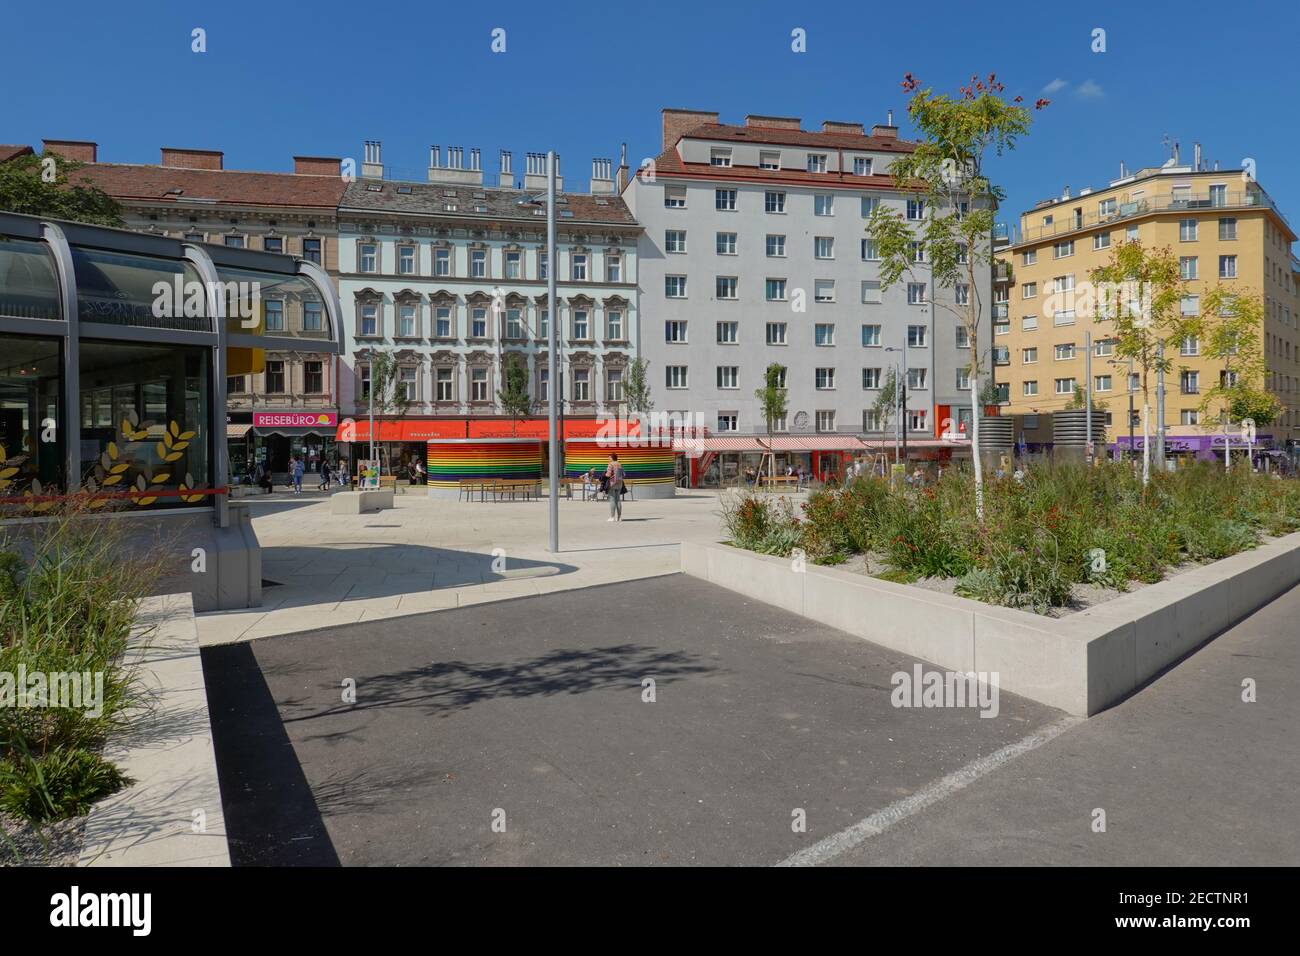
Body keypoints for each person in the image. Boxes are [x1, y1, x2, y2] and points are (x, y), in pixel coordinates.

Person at [605, 453, 626, 522]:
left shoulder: (610, 464)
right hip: (619, 483)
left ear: (612, 458)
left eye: (609, 458)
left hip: (612, 484)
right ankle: (619, 517)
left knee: (612, 500)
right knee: (618, 500)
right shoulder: (620, 464)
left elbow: (608, 474)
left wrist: (604, 475)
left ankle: (612, 517)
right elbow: (624, 474)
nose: (608, 459)